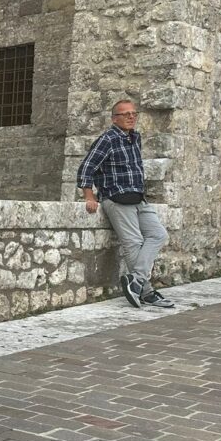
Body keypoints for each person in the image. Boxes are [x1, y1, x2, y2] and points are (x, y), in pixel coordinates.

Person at [77, 100, 173, 308]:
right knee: (133, 242)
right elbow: (86, 168)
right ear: (114, 118)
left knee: (158, 234)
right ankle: (146, 291)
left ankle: (136, 280)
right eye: (125, 114)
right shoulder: (107, 140)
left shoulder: (135, 138)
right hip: (116, 199)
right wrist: (89, 196)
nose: (131, 117)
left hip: (138, 198)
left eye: (133, 114)